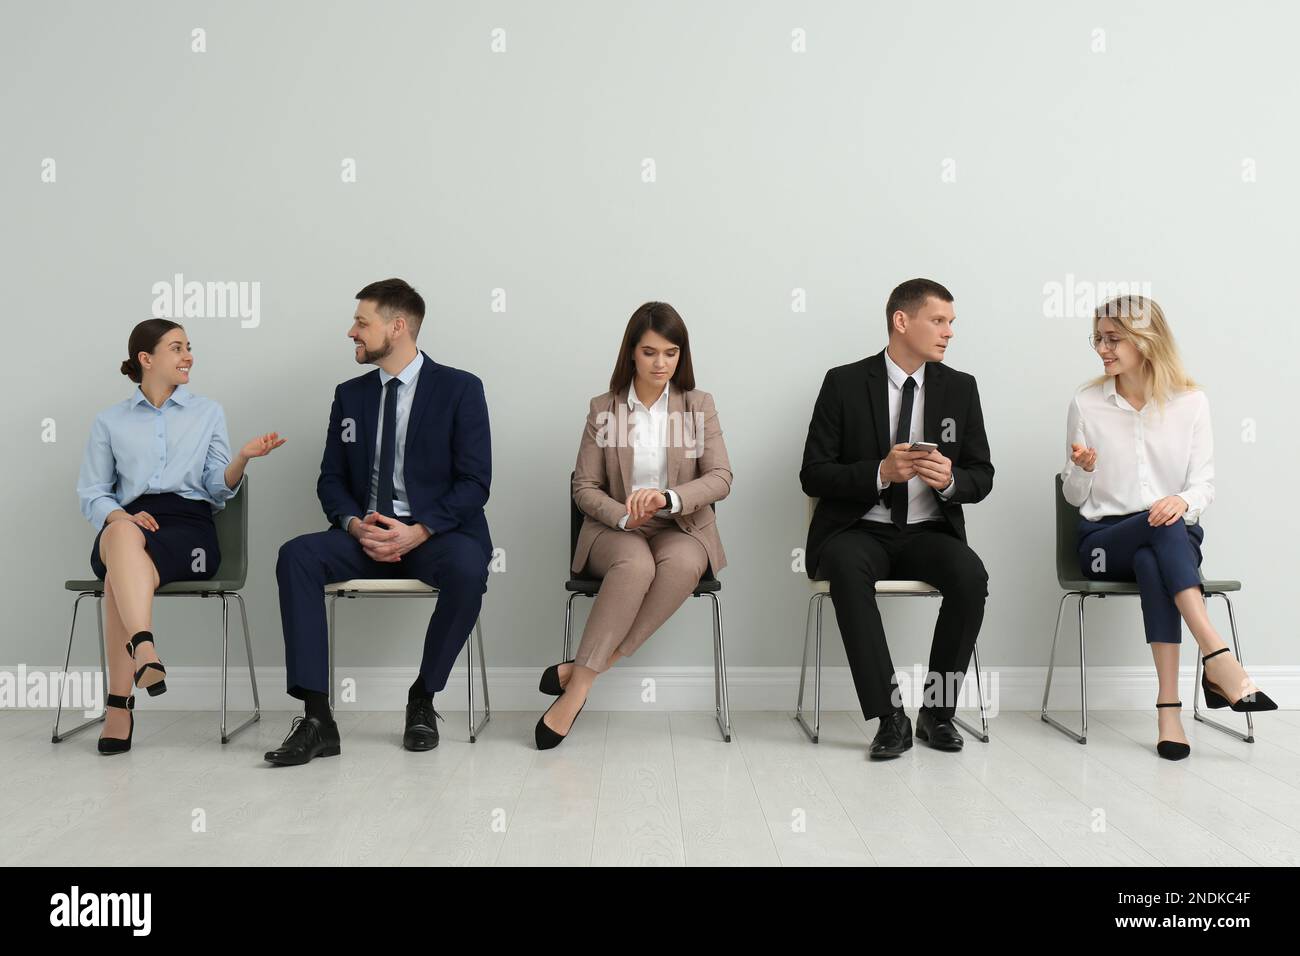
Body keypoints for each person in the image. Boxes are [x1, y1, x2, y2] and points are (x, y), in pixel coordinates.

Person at [266, 278, 493, 765]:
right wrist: (352, 524)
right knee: (296, 556)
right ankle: (317, 718)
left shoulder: (460, 389)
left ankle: (423, 699)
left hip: (434, 536)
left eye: (361, 323)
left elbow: (475, 482)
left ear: (398, 326)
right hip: (364, 536)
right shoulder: (350, 396)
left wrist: (419, 529)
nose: (352, 332)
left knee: (469, 568)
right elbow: (329, 480)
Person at [1062, 295, 1275, 760]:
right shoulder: (1087, 403)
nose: (1103, 348)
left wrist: (1180, 499)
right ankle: (1217, 657)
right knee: (1154, 533)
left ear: (1147, 338)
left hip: (1171, 535)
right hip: (1103, 542)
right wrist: (1082, 471)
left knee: (1155, 546)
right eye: (1097, 338)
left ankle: (1169, 709)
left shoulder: (1191, 403)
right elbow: (1076, 498)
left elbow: (1204, 484)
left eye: (1113, 338)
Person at [799, 278, 993, 758]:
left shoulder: (961, 389)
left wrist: (950, 480)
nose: (949, 332)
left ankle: (937, 711)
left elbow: (981, 475)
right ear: (901, 322)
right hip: (859, 530)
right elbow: (813, 474)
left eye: (951, 323)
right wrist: (880, 473)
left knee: (971, 575)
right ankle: (889, 718)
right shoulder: (843, 383)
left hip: (928, 532)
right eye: (939, 321)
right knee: (845, 567)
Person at [77, 319, 283, 754]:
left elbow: (216, 487)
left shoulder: (208, 412)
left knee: (117, 575)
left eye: (189, 347)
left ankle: (121, 704)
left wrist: (242, 458)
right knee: (118, 534)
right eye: (176, 348)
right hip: (129, 522)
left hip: (189, 528)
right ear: (146, 359)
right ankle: (145, 650)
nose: (188, 355)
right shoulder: (109, 421)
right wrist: (120, 516)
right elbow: (93, 493)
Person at [535, 302, 732, 750]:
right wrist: (624, 513)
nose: (661, 363)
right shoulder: (605, 409)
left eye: (671, 352)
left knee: (682, 565)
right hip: (617, 528)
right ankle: (579, 687)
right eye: (649, 353)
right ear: (631, 354)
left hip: (681, 526)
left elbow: (721, 477)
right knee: (636, 566)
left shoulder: (698, 406)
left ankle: (580, 678)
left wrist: (668, 497)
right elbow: (584, 486)